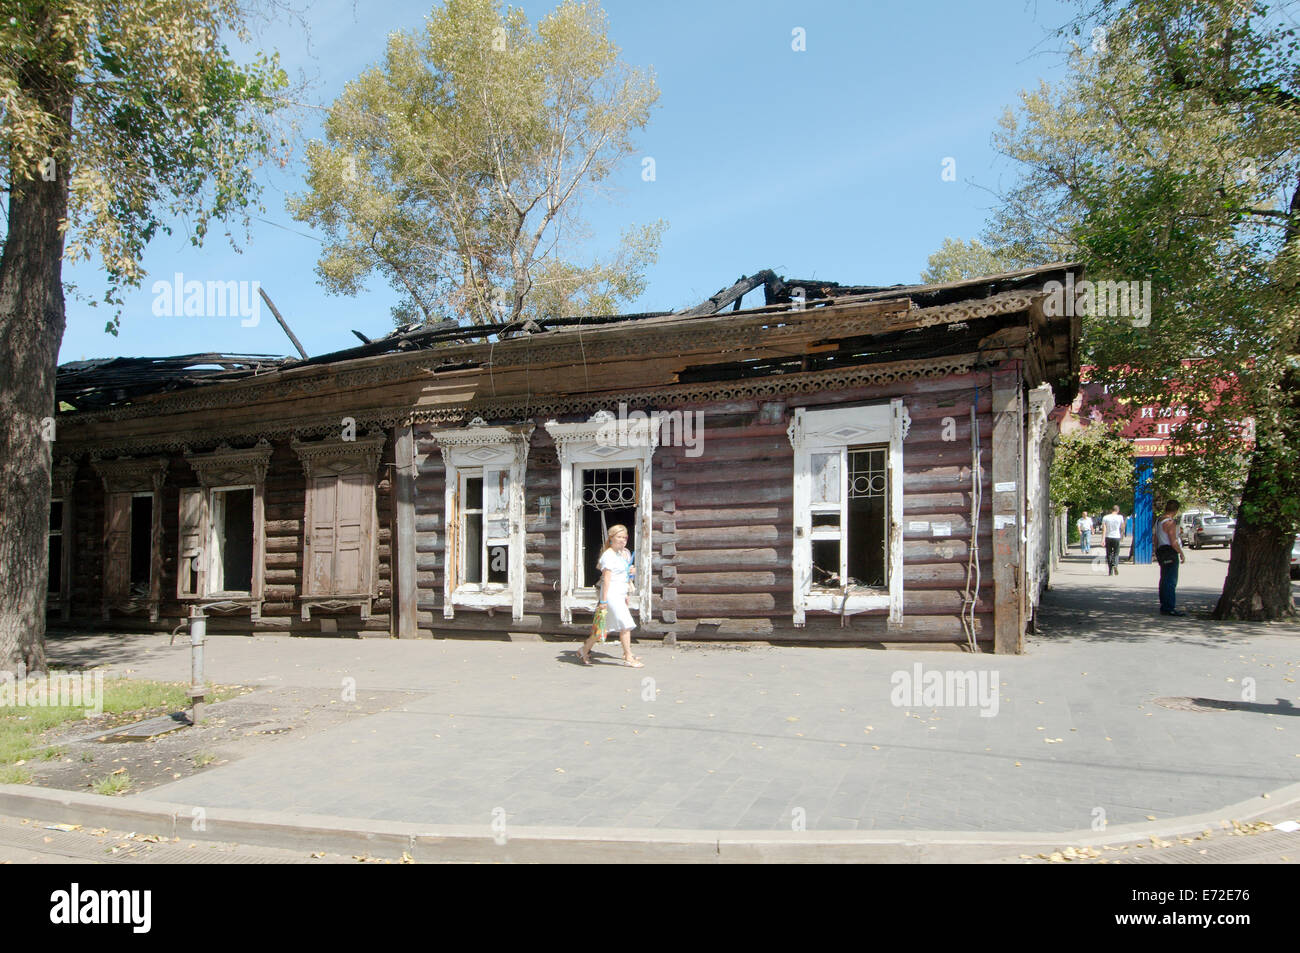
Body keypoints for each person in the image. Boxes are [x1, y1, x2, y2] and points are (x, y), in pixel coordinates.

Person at [576, 524, 643, 667]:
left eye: (625, 537)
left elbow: (624, 575)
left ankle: (584, 649)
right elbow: (606, 579)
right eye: (619, 537)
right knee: (625, 624)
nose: (622, 540)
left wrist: (631, 572)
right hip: (611, 594)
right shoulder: (608, 555)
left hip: (620, 592)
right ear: (611, 538)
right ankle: (628, 657)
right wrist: (603, 601)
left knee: (603, 626)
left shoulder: (622, 554)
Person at [1154, 499, 1187, 616]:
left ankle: (1164, 605)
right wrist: (1181, 553)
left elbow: (1155, 538)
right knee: (1171, 580)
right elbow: (1173, 541)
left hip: (1161, 551)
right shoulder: (1170, 522)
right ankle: (1169, 607)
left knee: (1164, 579)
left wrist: (1155, 550)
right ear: (1176, 510)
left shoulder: (1159, 520)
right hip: (1170, 551)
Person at [1102, 505, 1126, 575]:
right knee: (1116, 553)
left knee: (1109, 554)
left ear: (1111, 510)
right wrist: (1121, 535)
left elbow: (1104, 529)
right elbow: (1122, 527)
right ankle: (1115, 564)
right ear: (1118, 510)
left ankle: (1110, 571)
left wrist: (1103, 539)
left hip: (1108, 537)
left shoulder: (1105, 517)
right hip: (1116, 537)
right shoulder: (1120, 517)